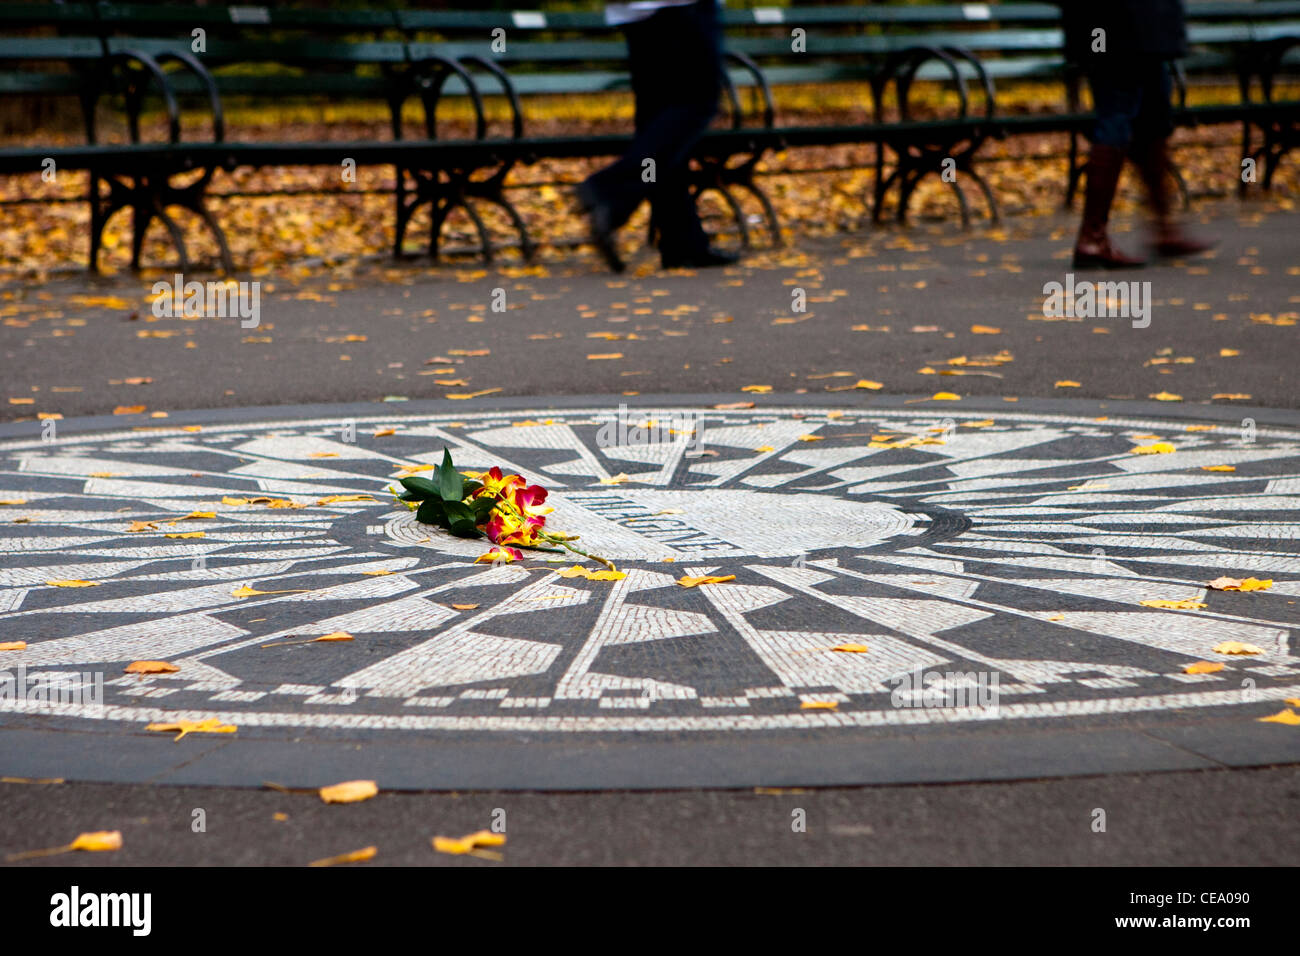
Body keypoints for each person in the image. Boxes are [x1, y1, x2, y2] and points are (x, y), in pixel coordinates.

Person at [577, 0, 739, 272]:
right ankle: (608, 189)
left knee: (659, 121)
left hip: (638, 16)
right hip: (680, 10)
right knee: (697, 104)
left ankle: (683, 242)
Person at [1060, 0, 1213, 268]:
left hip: (1143, 29)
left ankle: (1164, 228)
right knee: (1117, 115)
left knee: (1154, 120)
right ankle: (1092, 237)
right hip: (1114, 26)